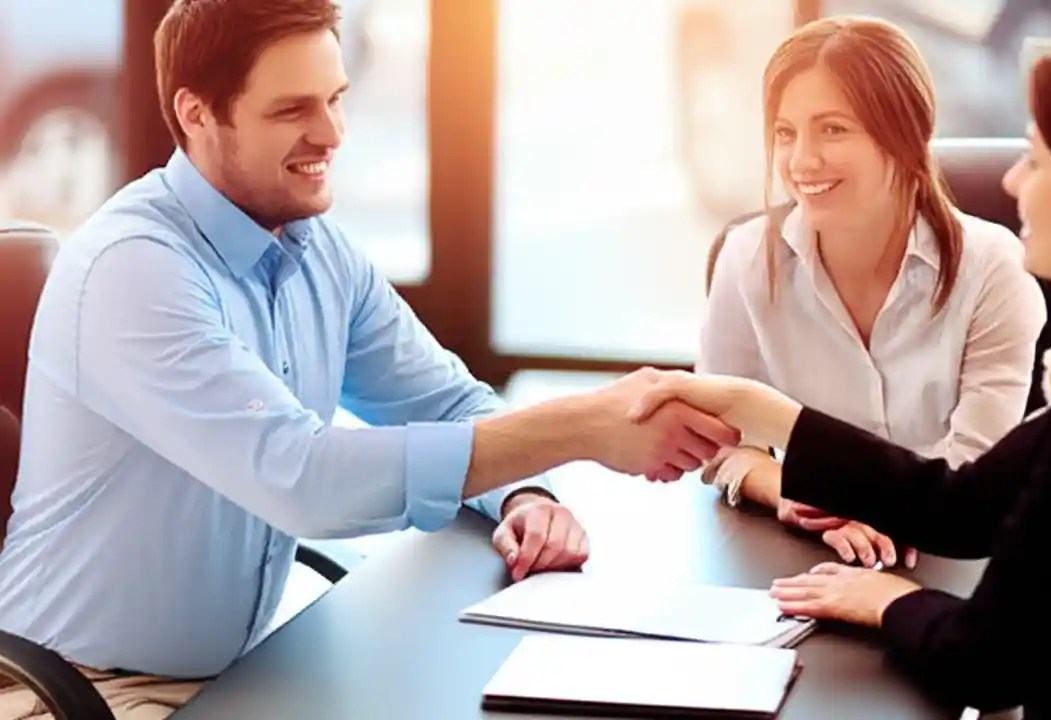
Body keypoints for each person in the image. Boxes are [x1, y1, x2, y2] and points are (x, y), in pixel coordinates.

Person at [0, 1, 735, 716]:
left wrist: (524, 493)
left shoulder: (315, 250)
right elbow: (305, 479)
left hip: (244, 672)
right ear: (197, 115)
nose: (332, 133)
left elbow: (446, 401)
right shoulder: (135, 269)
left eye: (336, 99)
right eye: (292, 111)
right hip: (84, 692)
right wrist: (581, 426)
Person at [632, 29, 1051, 717]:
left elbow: (987, 665)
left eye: (1036, 159)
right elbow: (960, 505)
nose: (1010, 180)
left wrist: (894, 603)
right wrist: (757, 411)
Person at [698, 16, 1045, 569]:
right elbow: (720, 443)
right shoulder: (747, 257)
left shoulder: (992, 270)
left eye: (832, 129)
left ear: (906, 134)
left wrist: (867, 500)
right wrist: (784, 490)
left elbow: (975, 481)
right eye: (786, 133)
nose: (801, 161)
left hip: (950, 562)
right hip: (805, 557)